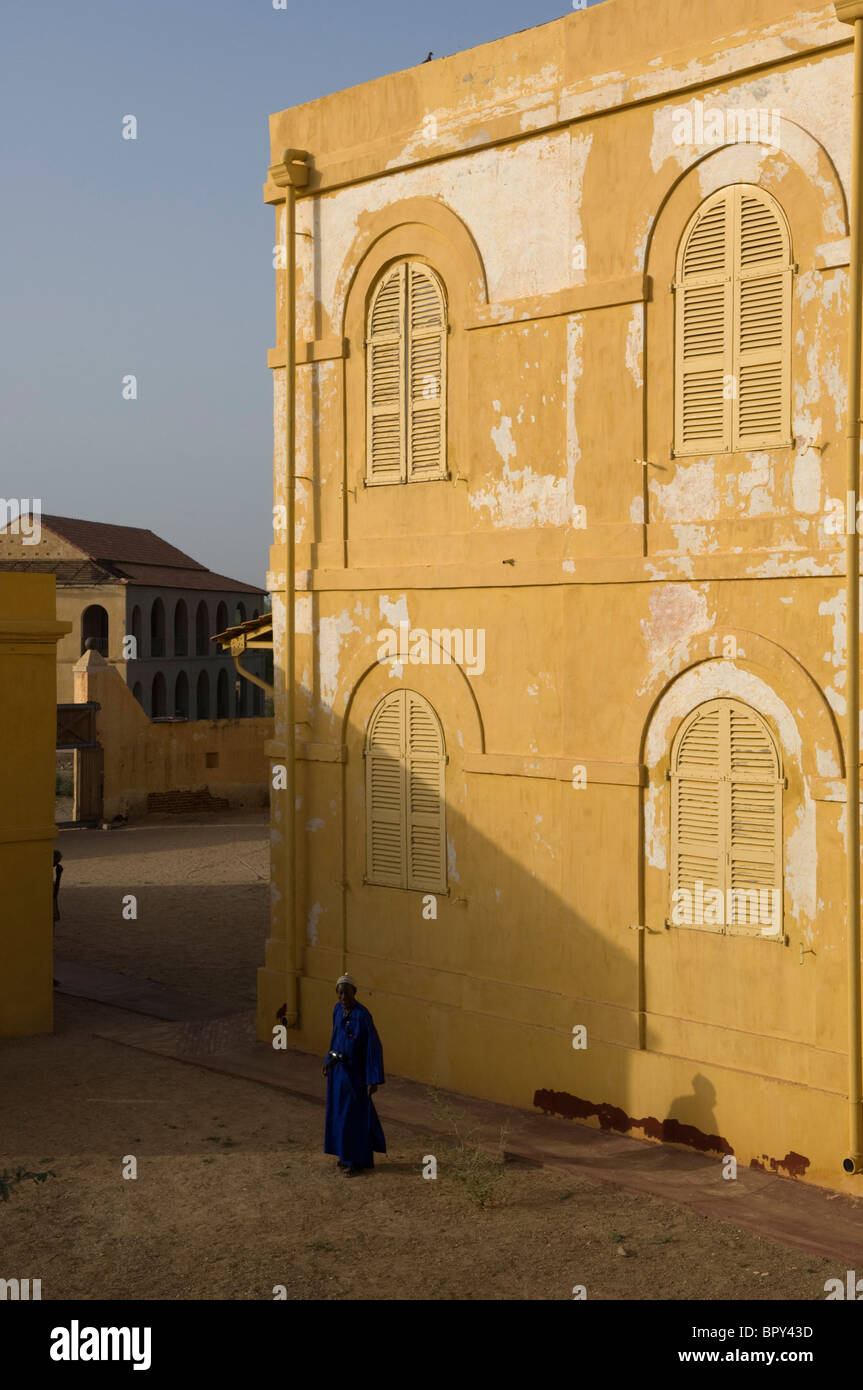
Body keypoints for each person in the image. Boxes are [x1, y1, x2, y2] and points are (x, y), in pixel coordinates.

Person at [322, 974, 386, 1176]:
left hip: (356, 1076)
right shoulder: (337, 1011)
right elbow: (335, 1039)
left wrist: (373, 1079)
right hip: (339, 1074)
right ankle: (344, 1155)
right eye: (339, 993)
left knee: (353, 1117)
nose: (343, 997)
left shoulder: (362, 1016)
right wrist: (328, 1061)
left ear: (354, 993)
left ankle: (356, 1161)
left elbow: (373, 1048)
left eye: (346, 993)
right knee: (340, 1115)